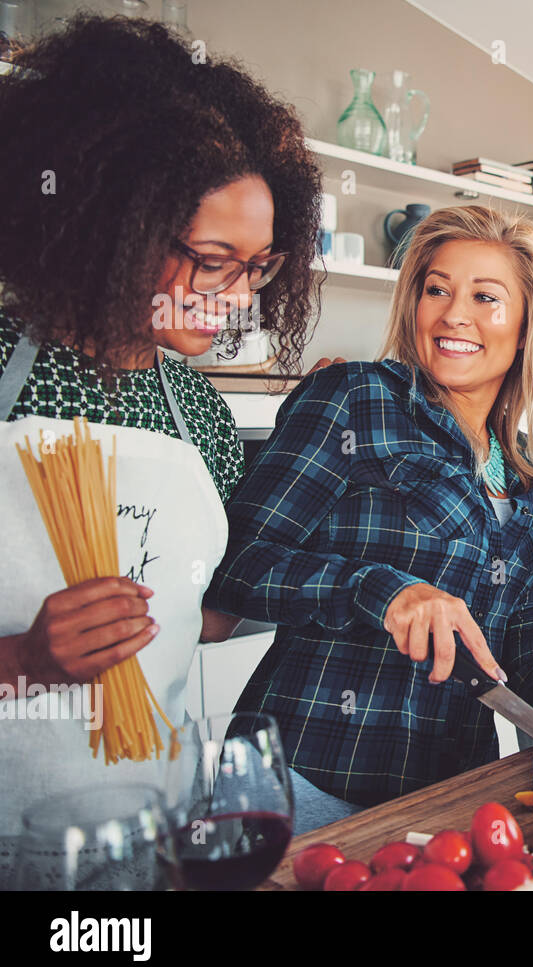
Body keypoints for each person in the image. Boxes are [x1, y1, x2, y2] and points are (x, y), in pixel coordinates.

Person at [0, 15, 320, 880]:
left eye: (258, 267)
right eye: (213, 258)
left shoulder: (200, 417)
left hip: (160, 836)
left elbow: (195, 619)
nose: (237, 297)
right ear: (116, 222)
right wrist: (21, 661)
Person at [206, 206, 533, 825]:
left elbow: (532, 615)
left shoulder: (527, 461)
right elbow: (237, 566)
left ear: (529, 325)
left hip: (449, 790)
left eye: (486, 297)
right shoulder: (353, 398)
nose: (455, 314)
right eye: (437, 290)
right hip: (305, 778)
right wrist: (381, 591)